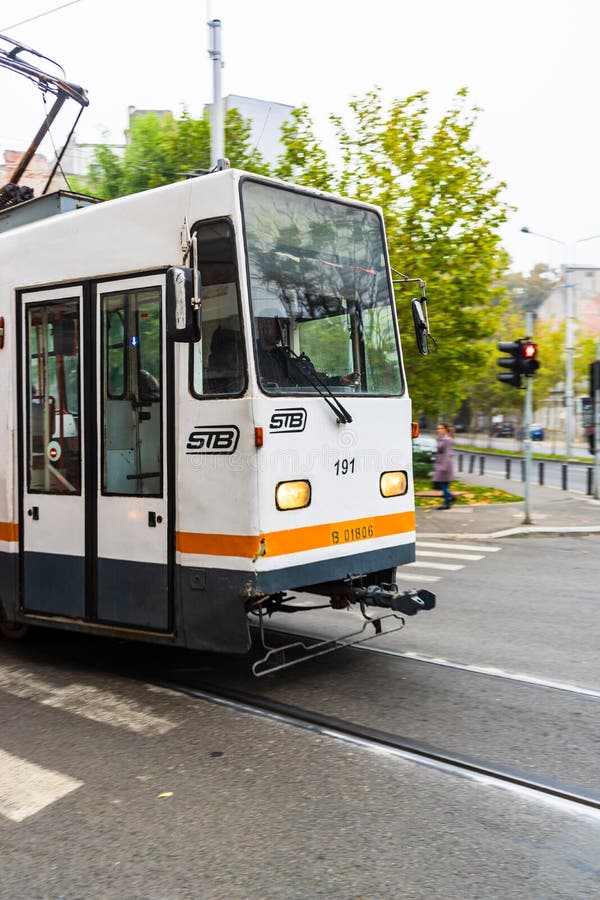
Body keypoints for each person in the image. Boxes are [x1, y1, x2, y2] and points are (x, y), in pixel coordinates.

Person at [255, 315, 359, 389]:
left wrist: (339, 381)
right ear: (262, 325)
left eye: (283, 325)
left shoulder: (282, 357)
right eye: (277, 324)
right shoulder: (249, 354)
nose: (281, 329)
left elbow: (310, 382)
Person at [432, 422, 455, 509]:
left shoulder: (447, 439)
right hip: (441, 463)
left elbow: (448, 453)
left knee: (442, 484)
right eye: (438, 428)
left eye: (440, 428)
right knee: (441, 484)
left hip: (444, 465)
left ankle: (447, 502)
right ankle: (450, 498)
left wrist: (444, 466)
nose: (438, 430)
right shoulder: (442, 438)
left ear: (445, 429)